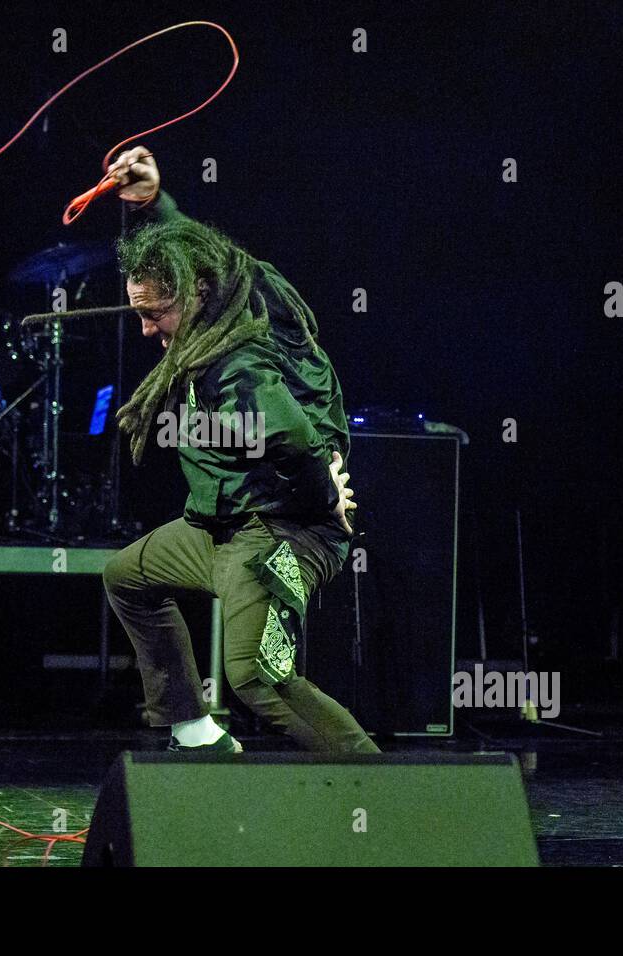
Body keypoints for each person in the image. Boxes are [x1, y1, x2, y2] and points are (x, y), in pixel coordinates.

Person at [101, 146, 380, 754]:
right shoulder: (223, 284)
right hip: (218, 524)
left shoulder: (238, 364)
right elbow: (186, 248)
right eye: (139, 313)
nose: (147, 329)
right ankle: (197, 733)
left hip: (280, 532)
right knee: (127, 576)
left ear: (195, 294)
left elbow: (292, 439)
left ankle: (384, 799)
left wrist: (324, 500)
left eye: (156, 314)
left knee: (257, 677)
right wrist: (152, 202)